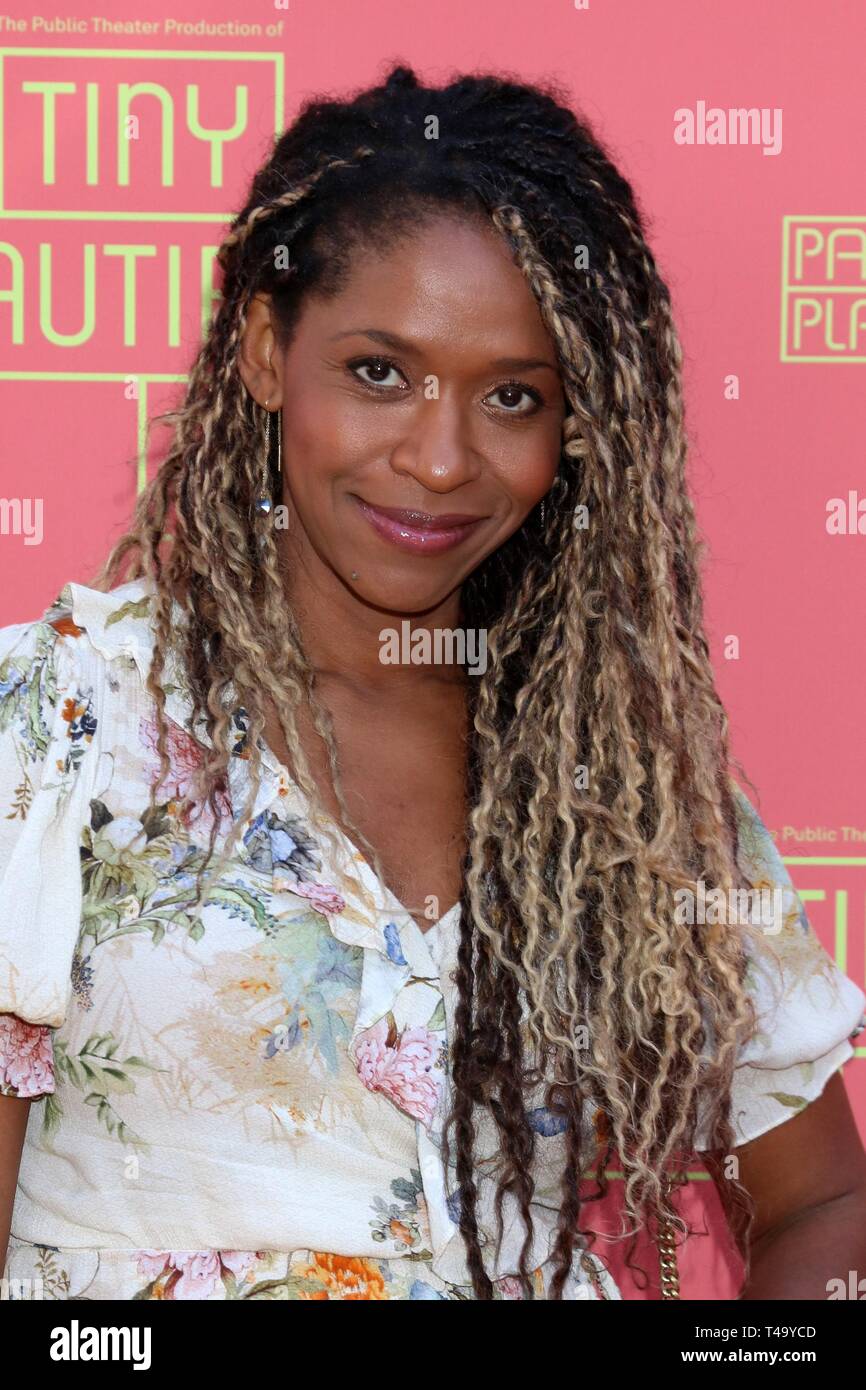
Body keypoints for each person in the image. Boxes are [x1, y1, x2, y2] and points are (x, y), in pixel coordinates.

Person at [1, 63, 865, 1303]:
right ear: (262, 349)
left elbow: (824, 1197)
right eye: (379, 372)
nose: (439, 456)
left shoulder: (618, 787)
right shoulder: (68, 714)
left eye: (510, 396)